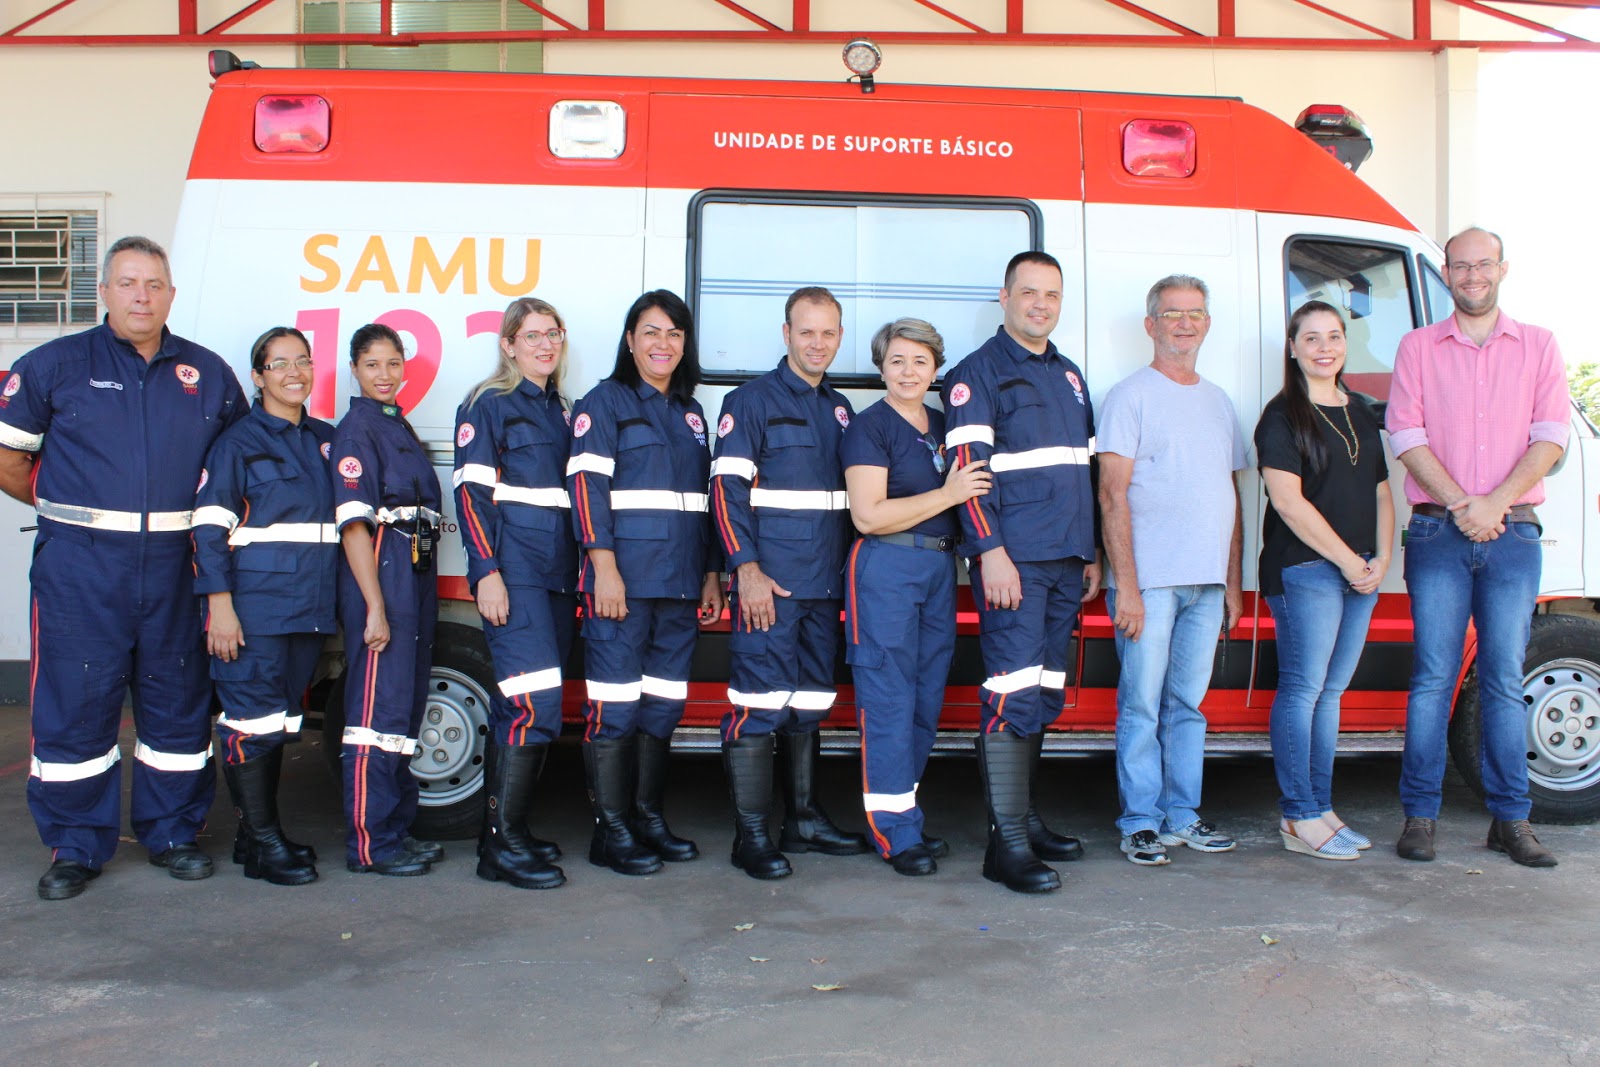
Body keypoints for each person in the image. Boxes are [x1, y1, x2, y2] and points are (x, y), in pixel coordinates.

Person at [0, 236, 246, 901]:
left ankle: (171, 832)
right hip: (82, 569)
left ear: (171, 293)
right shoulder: (54, 365)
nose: (142, 295)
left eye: (154, 284)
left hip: (175, 567)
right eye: (128, 283)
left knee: (176, 704)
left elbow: (235, 469)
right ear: (103, 291)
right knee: (76, 704)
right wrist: (70, 508)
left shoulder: (209, 373)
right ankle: (76, 844)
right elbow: (9, 459)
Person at [1387, 227, 1569, 868]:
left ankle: (1510, 822)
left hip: (1514, 533)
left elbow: (1551, 438)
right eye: (1460, 266)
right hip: (1438, 532)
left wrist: (1492, 505)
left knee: (1501, 680)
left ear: (1502, 269)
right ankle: (1420, 817)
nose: (1472, 275)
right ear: (1446, 272)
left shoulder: (1540, 346)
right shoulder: (1417, 347)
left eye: (1482, 264)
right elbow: (1405, 434)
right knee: (1433, 678)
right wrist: (1467, 506)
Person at [942, 252, 1100, 894]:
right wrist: (989, 552)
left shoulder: (1068, 373)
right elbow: (967, 473)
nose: (1041, 304)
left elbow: (1081, 468)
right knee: (1010, 691)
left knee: (1043, 692)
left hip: (1065, 560)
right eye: (1029, 292)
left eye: (1052, 294)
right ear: (1004, 296)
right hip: (1015, 561)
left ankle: (1025, 821)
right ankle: (1003, 847)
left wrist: (1091, 552)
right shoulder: (976, 375)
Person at [710, 286, 870, 880]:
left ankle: (802, 820)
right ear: (785, 334)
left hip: (825, 588)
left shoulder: (841, 409)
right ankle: (750, 836)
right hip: (769, 588)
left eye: (829, 333)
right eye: (807, 332)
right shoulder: (750, 402)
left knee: (808, 706)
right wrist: (744, 569)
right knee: (757, 706)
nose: (818, 343)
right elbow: (725, 495)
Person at [567, 290, 725, 876]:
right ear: (630, 340)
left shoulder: (691, 413)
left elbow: (705, 504)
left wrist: (711, 574)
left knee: (661, 708)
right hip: (623, 585)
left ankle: (646, 818)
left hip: (680, 586)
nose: (664, 344)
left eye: (674, 334)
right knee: (614, 707)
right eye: (651, 332)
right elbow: (586, 491)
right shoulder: (604, 403)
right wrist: (603, 567)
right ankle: (610, 833)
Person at [1098, 274, 1247, 867]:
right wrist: (1126, 587)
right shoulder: (1129, 396)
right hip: (1151, 584)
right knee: (1141, 703)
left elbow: (1230, 496)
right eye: (1172, 313)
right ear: (1150, 324)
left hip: (1206, 586)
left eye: (1195, 313)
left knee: (1188, 705)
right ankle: (1140, 821)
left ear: (1207, 323)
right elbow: (1112, 495)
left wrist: (1232, 583)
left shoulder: (1218, 401)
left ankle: (1183, 816)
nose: (1184, 323)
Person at [843, 318, 990, 876]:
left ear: (935, 370)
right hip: (886, 567)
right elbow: (868, 514)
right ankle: (894, 834)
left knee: (926, 699)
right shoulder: (869, 428)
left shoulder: (943, 423)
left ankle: (908, 818)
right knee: (888, 700)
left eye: (920, 361)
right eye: (897, 360)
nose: (908, 371)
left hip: (936, 568)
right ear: (882, 366)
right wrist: (947, 492)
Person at [192, 326, 336, 886]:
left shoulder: (325, 439)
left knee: (278, 724)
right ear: (257, 376)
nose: (294, 372)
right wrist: (220, 607)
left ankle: (256, 838)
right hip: (254, 610)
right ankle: (264, 842)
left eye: (303, 360)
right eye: (279, 364)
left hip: (307, 610)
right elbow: (208, 528)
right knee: (251, 724)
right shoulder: (238, 443)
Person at [1255, 301, 1394, 860]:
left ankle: (1322, 809)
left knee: (1331, 693)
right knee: (1304, 690)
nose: (1324, 347)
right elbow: (1289, 504)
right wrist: (1347, 560)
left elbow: (1383, 491)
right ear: (1292, 348)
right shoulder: (1281, 416)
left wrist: (1381, 559)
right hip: (1306, 568)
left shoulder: (1360, 410)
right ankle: (1298, 816)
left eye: (1333, 336)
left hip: (1360, 569)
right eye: (1310, 338)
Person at [453, 298, 577, 891]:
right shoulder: (490, 405)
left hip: (558, 578)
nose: (545, 345)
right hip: (517, 575)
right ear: (508, 344)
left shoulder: (565, 411)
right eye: (532, 336)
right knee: (532, 708)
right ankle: (500, 850)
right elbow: (473, 497)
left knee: (525, 707)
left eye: (552, 334)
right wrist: (487, 572)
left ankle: (508, 832)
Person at [332, 323, 445, 876]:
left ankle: (397, 829)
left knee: (402, 709)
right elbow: (355, 528)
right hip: (384, 576)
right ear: (354, 368)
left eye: (393, 364)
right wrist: (375, 606)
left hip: (415, 577)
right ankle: (370, 846)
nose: (384, 374)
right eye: (372, 364)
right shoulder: (356, 432)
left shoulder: (396, 426)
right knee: (375, 715)